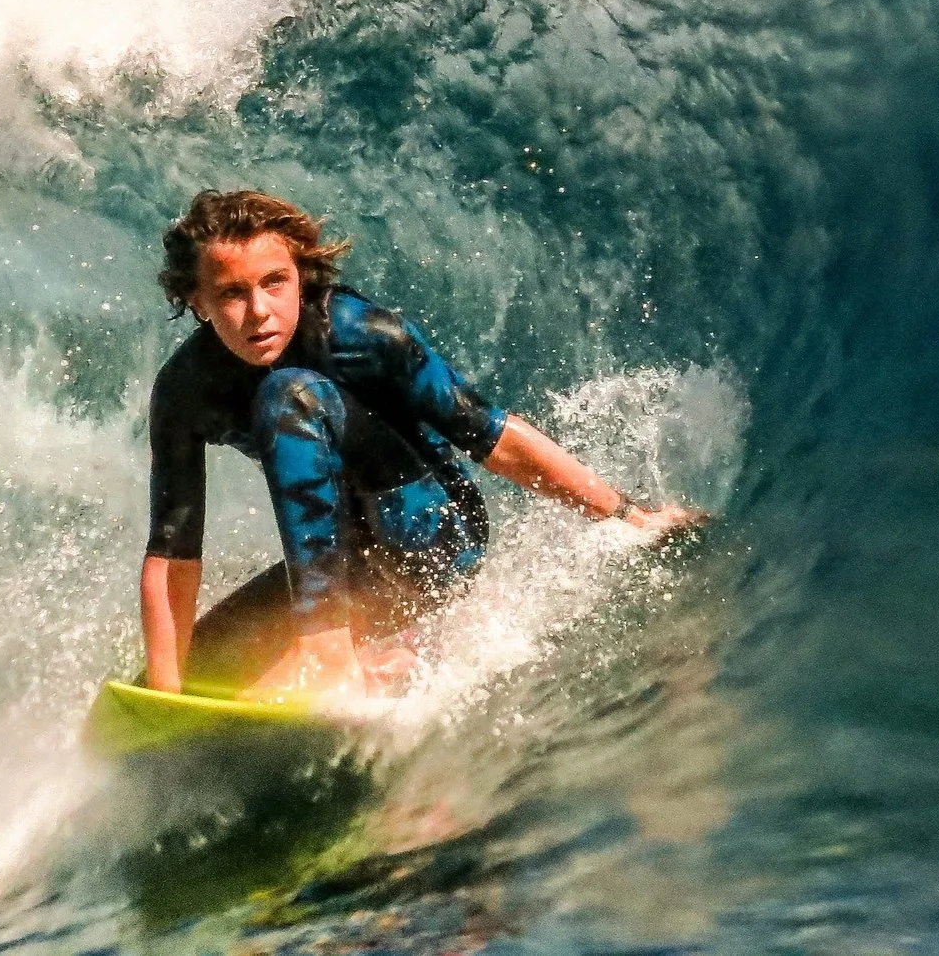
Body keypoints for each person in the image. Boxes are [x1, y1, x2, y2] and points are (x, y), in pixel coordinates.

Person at [140, 188, 702, 703]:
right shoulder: (185, 392)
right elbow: (173, 553)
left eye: (275, 282)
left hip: (436, 539)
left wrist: (628, 516)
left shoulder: (360, 334)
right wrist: (165, 697)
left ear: (300, 276)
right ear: (197, 301)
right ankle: (371, 660)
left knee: (289, 396)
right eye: (232, 293)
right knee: (195, 673)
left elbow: (493, 437)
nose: (259, 311)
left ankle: (334, 657)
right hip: (344, 568)